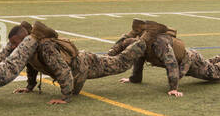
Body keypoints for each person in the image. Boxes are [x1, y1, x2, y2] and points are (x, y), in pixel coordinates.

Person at [21, 20, 162, 103]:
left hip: (84, 65)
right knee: (111, 55)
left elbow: (62, 70)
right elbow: (32, 66)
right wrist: (29, 87)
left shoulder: (45, 47)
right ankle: (134, 31)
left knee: (121, 62)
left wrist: (65, 97)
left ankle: (148, 34)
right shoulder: (31, 47)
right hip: (82, 62)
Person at [120, 28, 220, 96]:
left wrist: (173, 88)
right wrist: (134, 79)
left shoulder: (159, 44)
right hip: (189, 56)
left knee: (215, 73)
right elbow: (139, 61)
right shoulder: (142, 45)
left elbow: (172, 64)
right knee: (206, 64)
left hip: (189, 60)